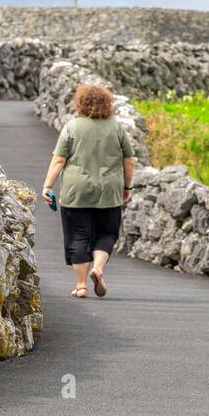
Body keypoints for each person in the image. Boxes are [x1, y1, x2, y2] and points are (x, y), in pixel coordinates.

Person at [41, 83, 135, 298]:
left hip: (76, 191)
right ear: (107, 103)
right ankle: (98, 269)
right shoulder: (116, 127)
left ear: (80, 103)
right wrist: (127, 186)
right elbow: (128, 161)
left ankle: (81, 284)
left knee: (78, 237)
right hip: (109, 190)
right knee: (107, 233)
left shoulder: (72, 127)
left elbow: (59, 160)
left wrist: (47, 186)